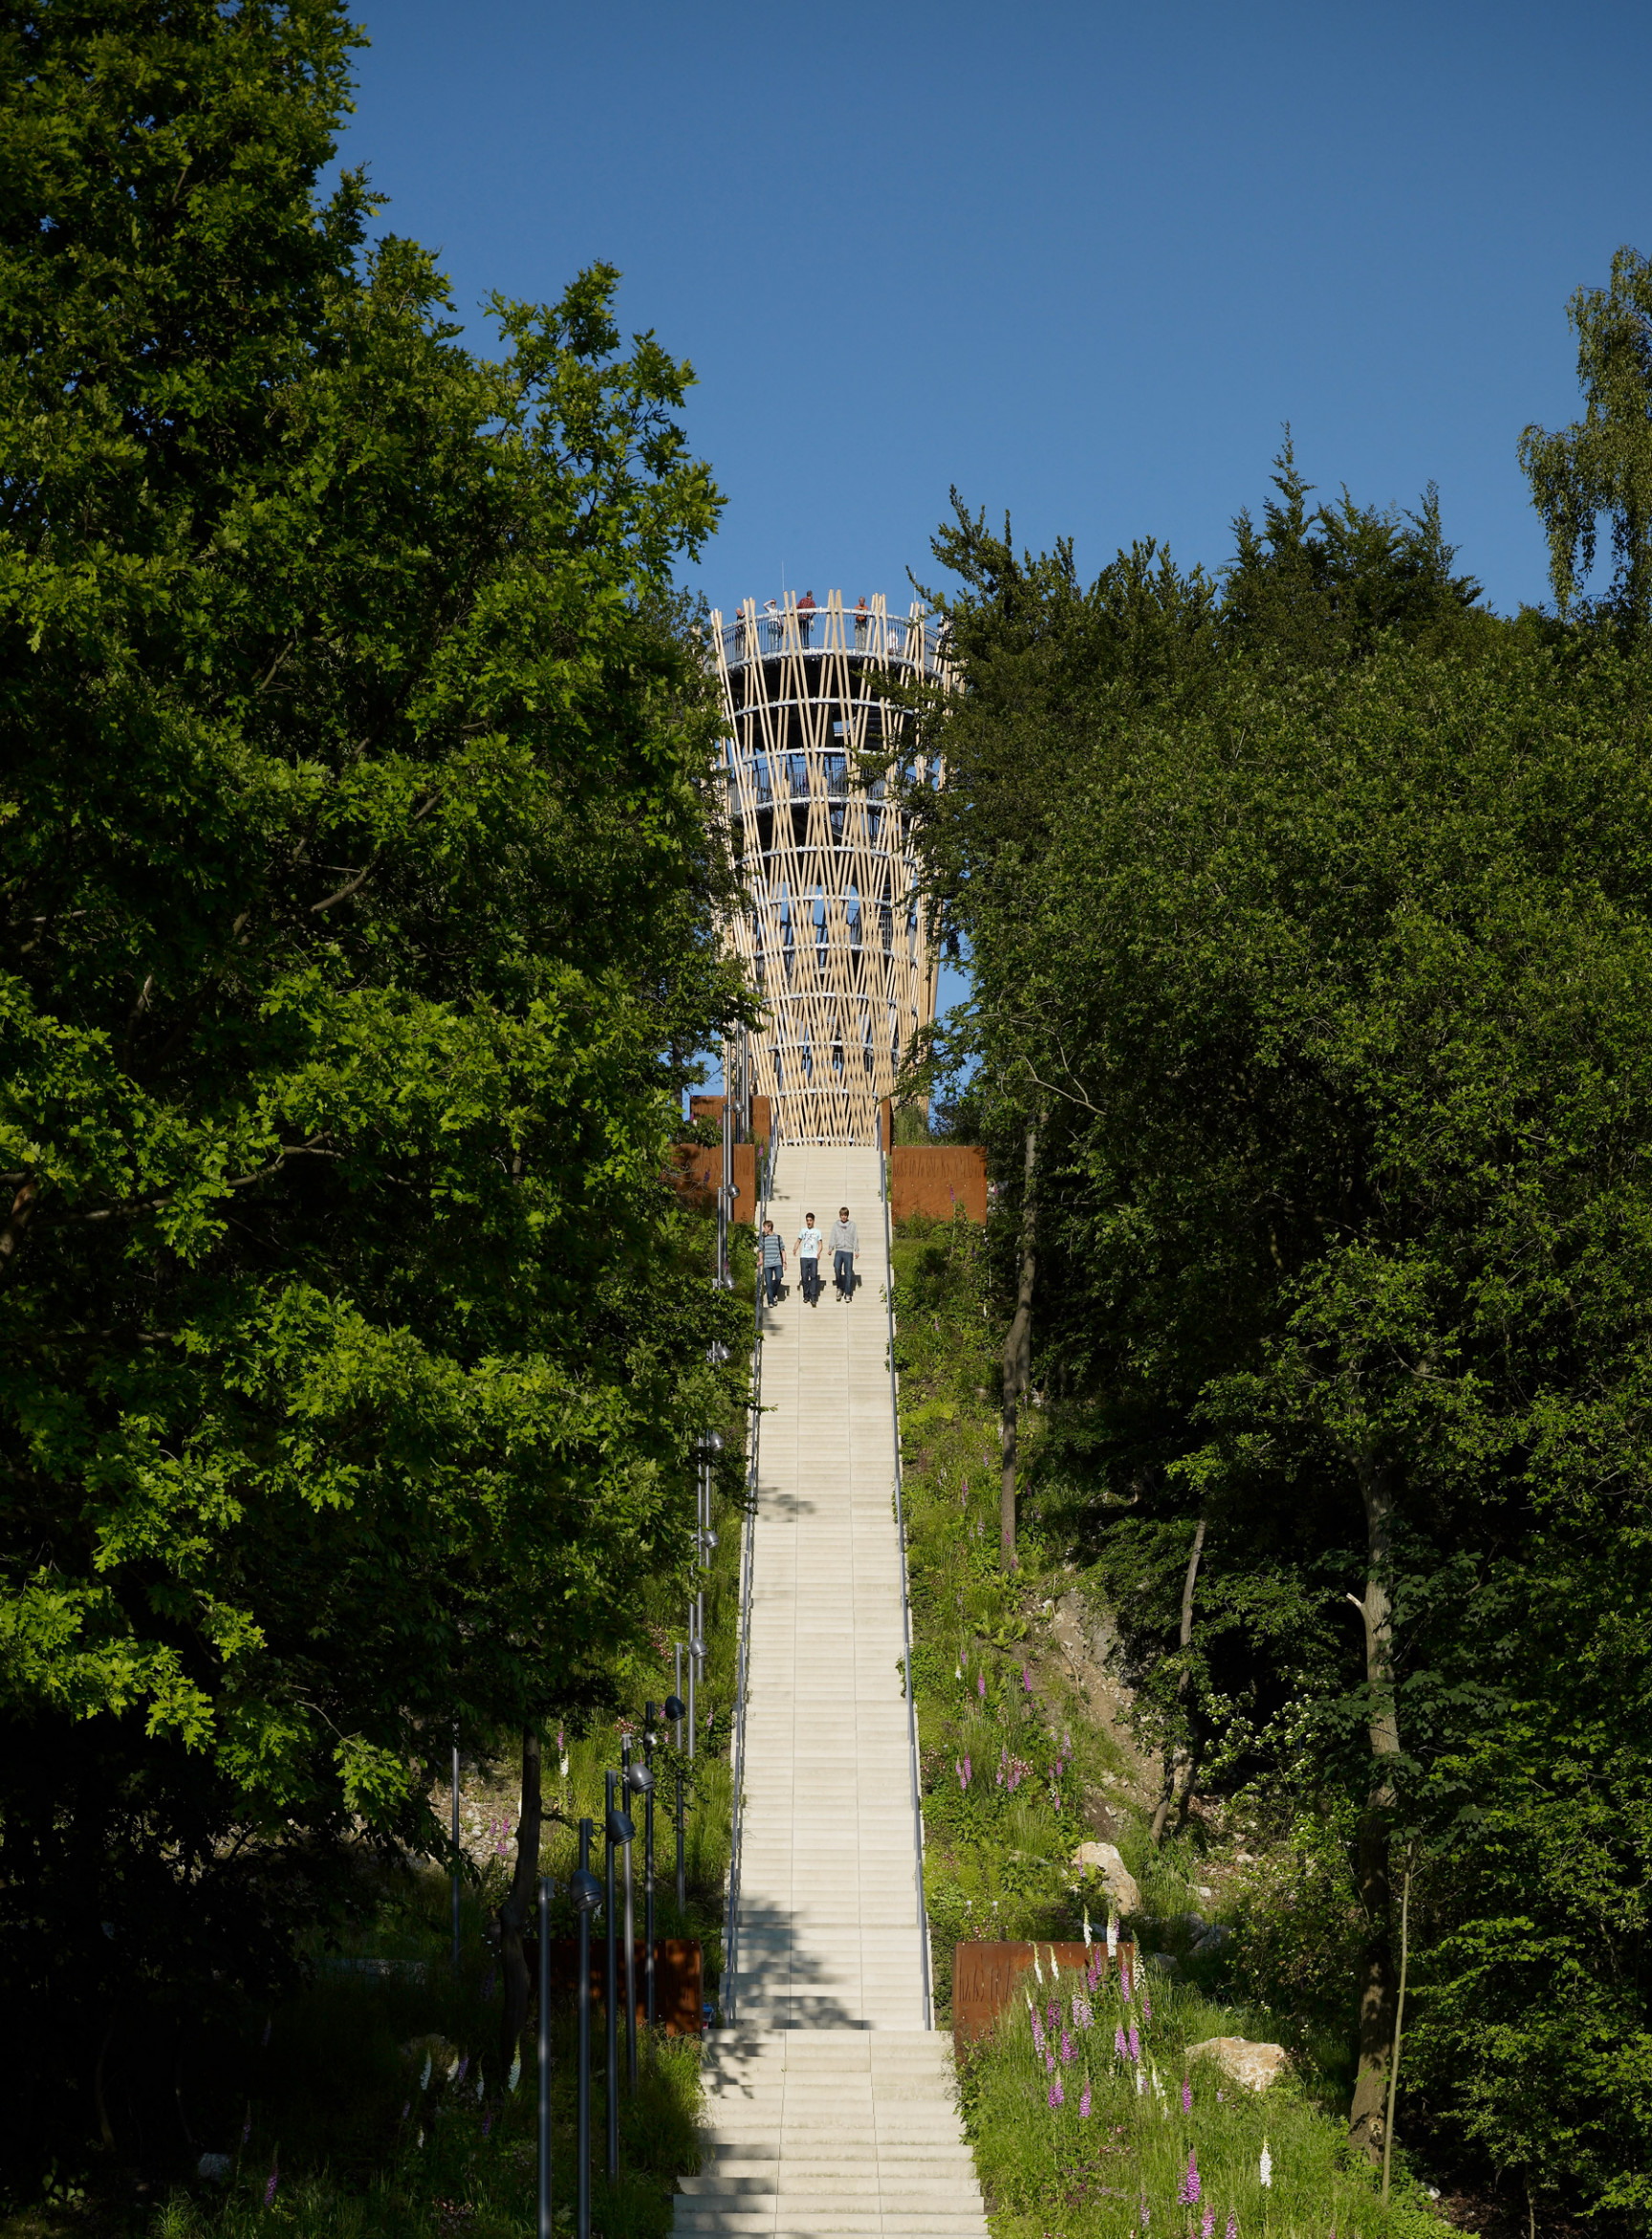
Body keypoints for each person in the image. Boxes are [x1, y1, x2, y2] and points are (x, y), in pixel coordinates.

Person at [829, 1205, 859, 1301]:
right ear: (840, 1215)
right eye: (842, 1215)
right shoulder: (836, 1225)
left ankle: (848, 1293)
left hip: (848, 1251)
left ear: (847, 1215)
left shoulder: (852, 1225)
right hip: (839, 1250)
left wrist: (856, 1250)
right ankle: (839, 1287)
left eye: (845, 1215)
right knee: (837, 1267)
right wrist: (831, 1248)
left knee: (848, 1272)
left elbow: (855, 1238)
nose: (843, 1217)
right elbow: (833, 1236)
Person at [795, 1211, 824, 1306]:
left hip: (813, 1257)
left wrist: (818, 1253)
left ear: (813, 1221)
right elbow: (798, 1240)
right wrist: (795, 1248)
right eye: (807, 1220)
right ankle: (806, 1295)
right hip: (804, 1256)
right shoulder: (803, 1230)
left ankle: (813, 1296)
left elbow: (820, 1244)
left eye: (810, 1220)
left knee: (813, 1276)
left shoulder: (817, 1231)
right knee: (804, 1277)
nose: (809, 1222)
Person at [760, 1218, 785, 1306]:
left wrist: (784, 1262)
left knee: (778, 1277)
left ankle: (774, 1293)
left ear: (769, 1227)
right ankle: (770, 1301)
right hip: (767, 1263)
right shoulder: (763, 1239)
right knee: (768, 1282)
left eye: (765, 1227)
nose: (764, 1229)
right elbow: (760, 1250)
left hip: (777, 1262)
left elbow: (782, 1250)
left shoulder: (778, 1237)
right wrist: (761, 1260)